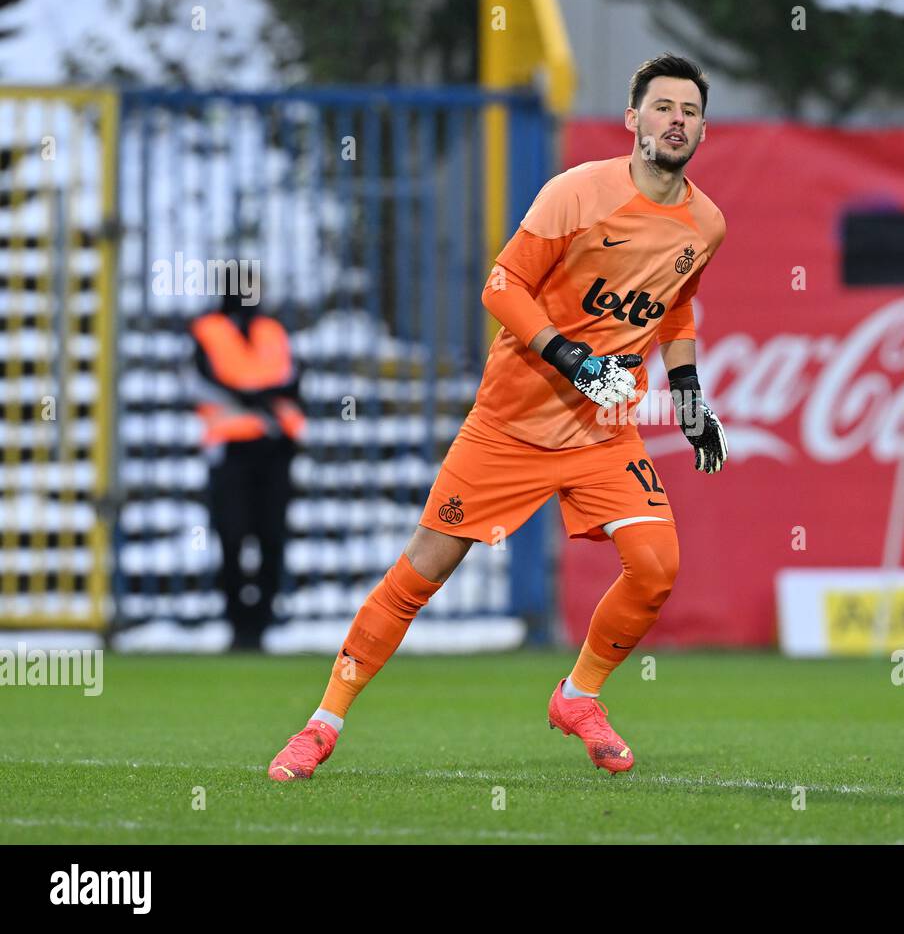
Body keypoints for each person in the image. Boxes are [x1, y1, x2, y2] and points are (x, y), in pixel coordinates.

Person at [267, 53, 727, 780]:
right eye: (663, 107)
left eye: (691, 111)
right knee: (423, 571)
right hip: (512, 423)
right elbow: (501, 284)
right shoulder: (577, 192)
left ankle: (579, 697)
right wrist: (572, 357)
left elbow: (676, 309)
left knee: (656, 567)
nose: (677, 121)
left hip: (602, 431)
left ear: (703, 128)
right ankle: (322, 724)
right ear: (634, 119)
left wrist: (691, 395)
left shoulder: (705, 222)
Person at [191, 271, 304, 652]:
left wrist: (260, 398)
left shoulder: (273, 331)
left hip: (274, 448)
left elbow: (294, 380)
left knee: (272, 535)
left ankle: (262, 621)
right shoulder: (207, 330)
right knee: (232, 535)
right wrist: (257, 399)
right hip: (230, 449)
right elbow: (202, 381)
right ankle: (238, 623)